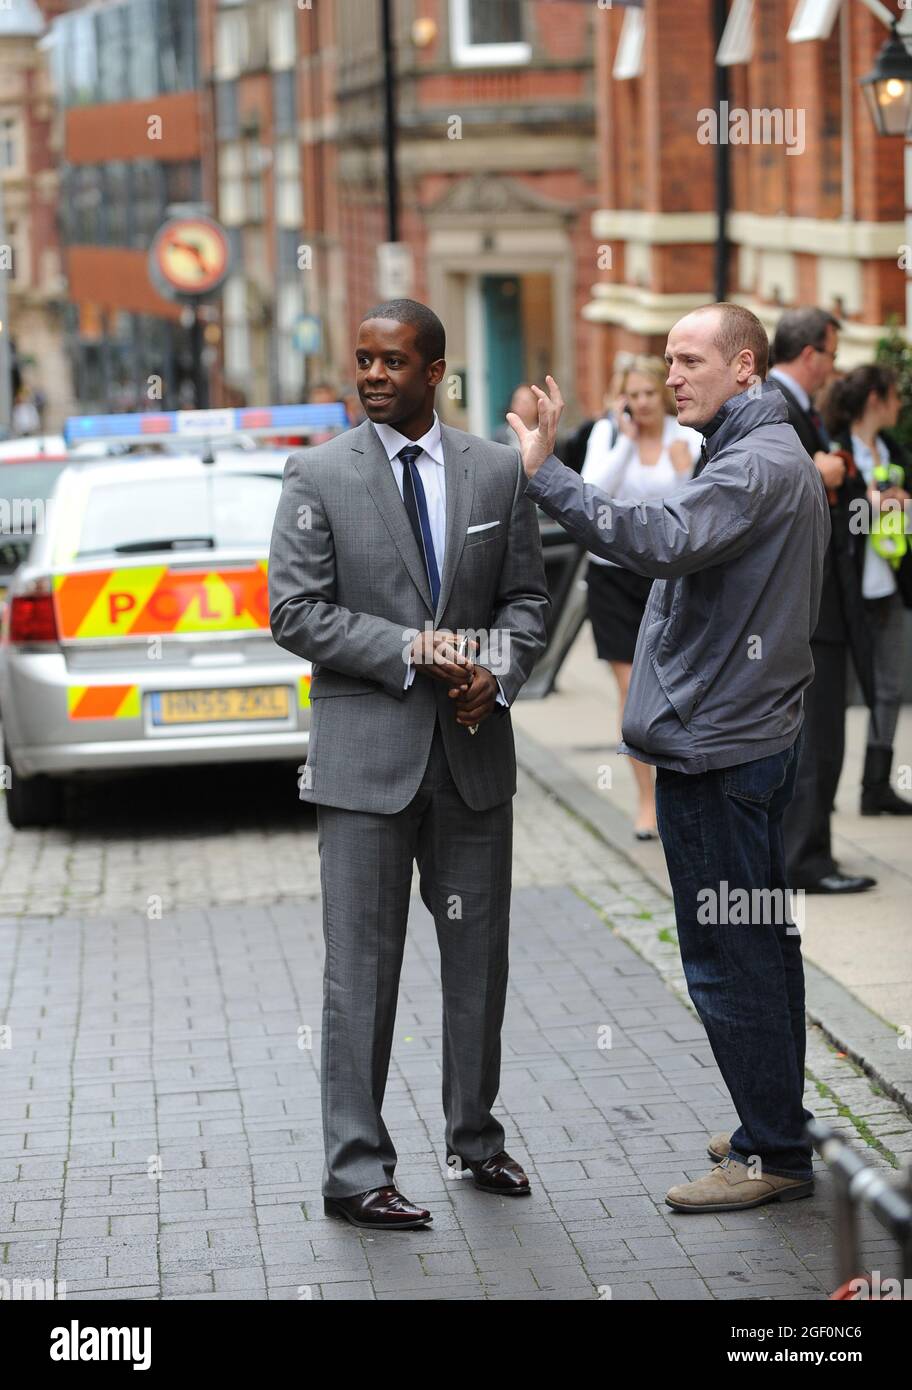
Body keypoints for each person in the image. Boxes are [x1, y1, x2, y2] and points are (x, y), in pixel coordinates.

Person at [511, 302, 828, 1214]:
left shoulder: (755, 466)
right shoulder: (757, 455)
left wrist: (546, 474)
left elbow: (656, 542)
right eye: (668, 359)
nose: (674, 374)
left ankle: (773, 1149)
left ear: (747, 368)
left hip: (718, 753)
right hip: (740, 739)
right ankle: (777, 1122)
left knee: (732, 955)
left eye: (691, 360)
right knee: (761, 942)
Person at [268, 298, 549, 1231]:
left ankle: (477, 1139)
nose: (373, 375)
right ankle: (355, 1172)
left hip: (473, 761)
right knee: (361, 971)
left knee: (479, 963)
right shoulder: (317, 474)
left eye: (393, 362)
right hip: (364, 767)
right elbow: (295, 613)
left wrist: (494, 680)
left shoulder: (498, 472)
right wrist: (416, 650)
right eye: (363, 360)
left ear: (436, 372)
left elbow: (524, 605)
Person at [768, 310, 876, 893]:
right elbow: (767, 484)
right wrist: (820, 472)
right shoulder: (777, 408)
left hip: (818, 602)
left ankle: (811, 852)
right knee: (815, 738)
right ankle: (805, 860)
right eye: (831, 354)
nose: (834, 367)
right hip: (806, 606)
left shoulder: (798, 408)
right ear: (811, 354)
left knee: (819, 735)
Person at [582, 355, 701, 839]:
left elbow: (697, 512)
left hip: (667, 580)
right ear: (624, 398)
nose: (643, 403)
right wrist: (627, 443)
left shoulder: (689, 439)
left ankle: (678, 791)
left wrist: (684, 472)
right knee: (632, 692)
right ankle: (646, 799)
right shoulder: (607, 436)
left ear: (664, 394)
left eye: (650, 393)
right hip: (613, 577)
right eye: (634, 395)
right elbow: (592, 494)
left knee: (670, 689)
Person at [824, 364, 912, 815]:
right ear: (876, 399)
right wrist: (876, 502)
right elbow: (834, 516)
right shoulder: (837, 452)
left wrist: (903, 504)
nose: (899, 405)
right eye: (895, 396)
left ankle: (876, 786)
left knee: (890, 687)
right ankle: (821, 787)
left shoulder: (892, 449)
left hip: (890, 583)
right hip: (848, 590)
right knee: (833, 690)